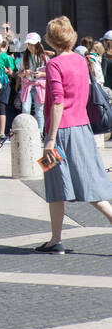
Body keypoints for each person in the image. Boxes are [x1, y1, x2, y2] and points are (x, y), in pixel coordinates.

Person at [37, 16, 112, 254]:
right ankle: (55, 239)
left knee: (55, 185)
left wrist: (50, 139)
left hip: (60, 133)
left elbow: (57, 102)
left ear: (51, 38)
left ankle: (56, 240)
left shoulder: (54, 65)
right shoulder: (81, 60)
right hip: (83, 128)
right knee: (88, 182)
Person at [18, 32, 47, 139]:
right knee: (25, 109)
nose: (30, 46)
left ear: (38, 44)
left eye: (32, 44)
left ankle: (39, 133)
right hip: (28, 86)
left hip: (40, 86)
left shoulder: (44, 57)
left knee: (39, 111)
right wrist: (25, 73)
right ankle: (25, 132)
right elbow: (19, 73)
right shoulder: (24, 57)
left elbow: (50, 73)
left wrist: (41, 74)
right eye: (28, 44)